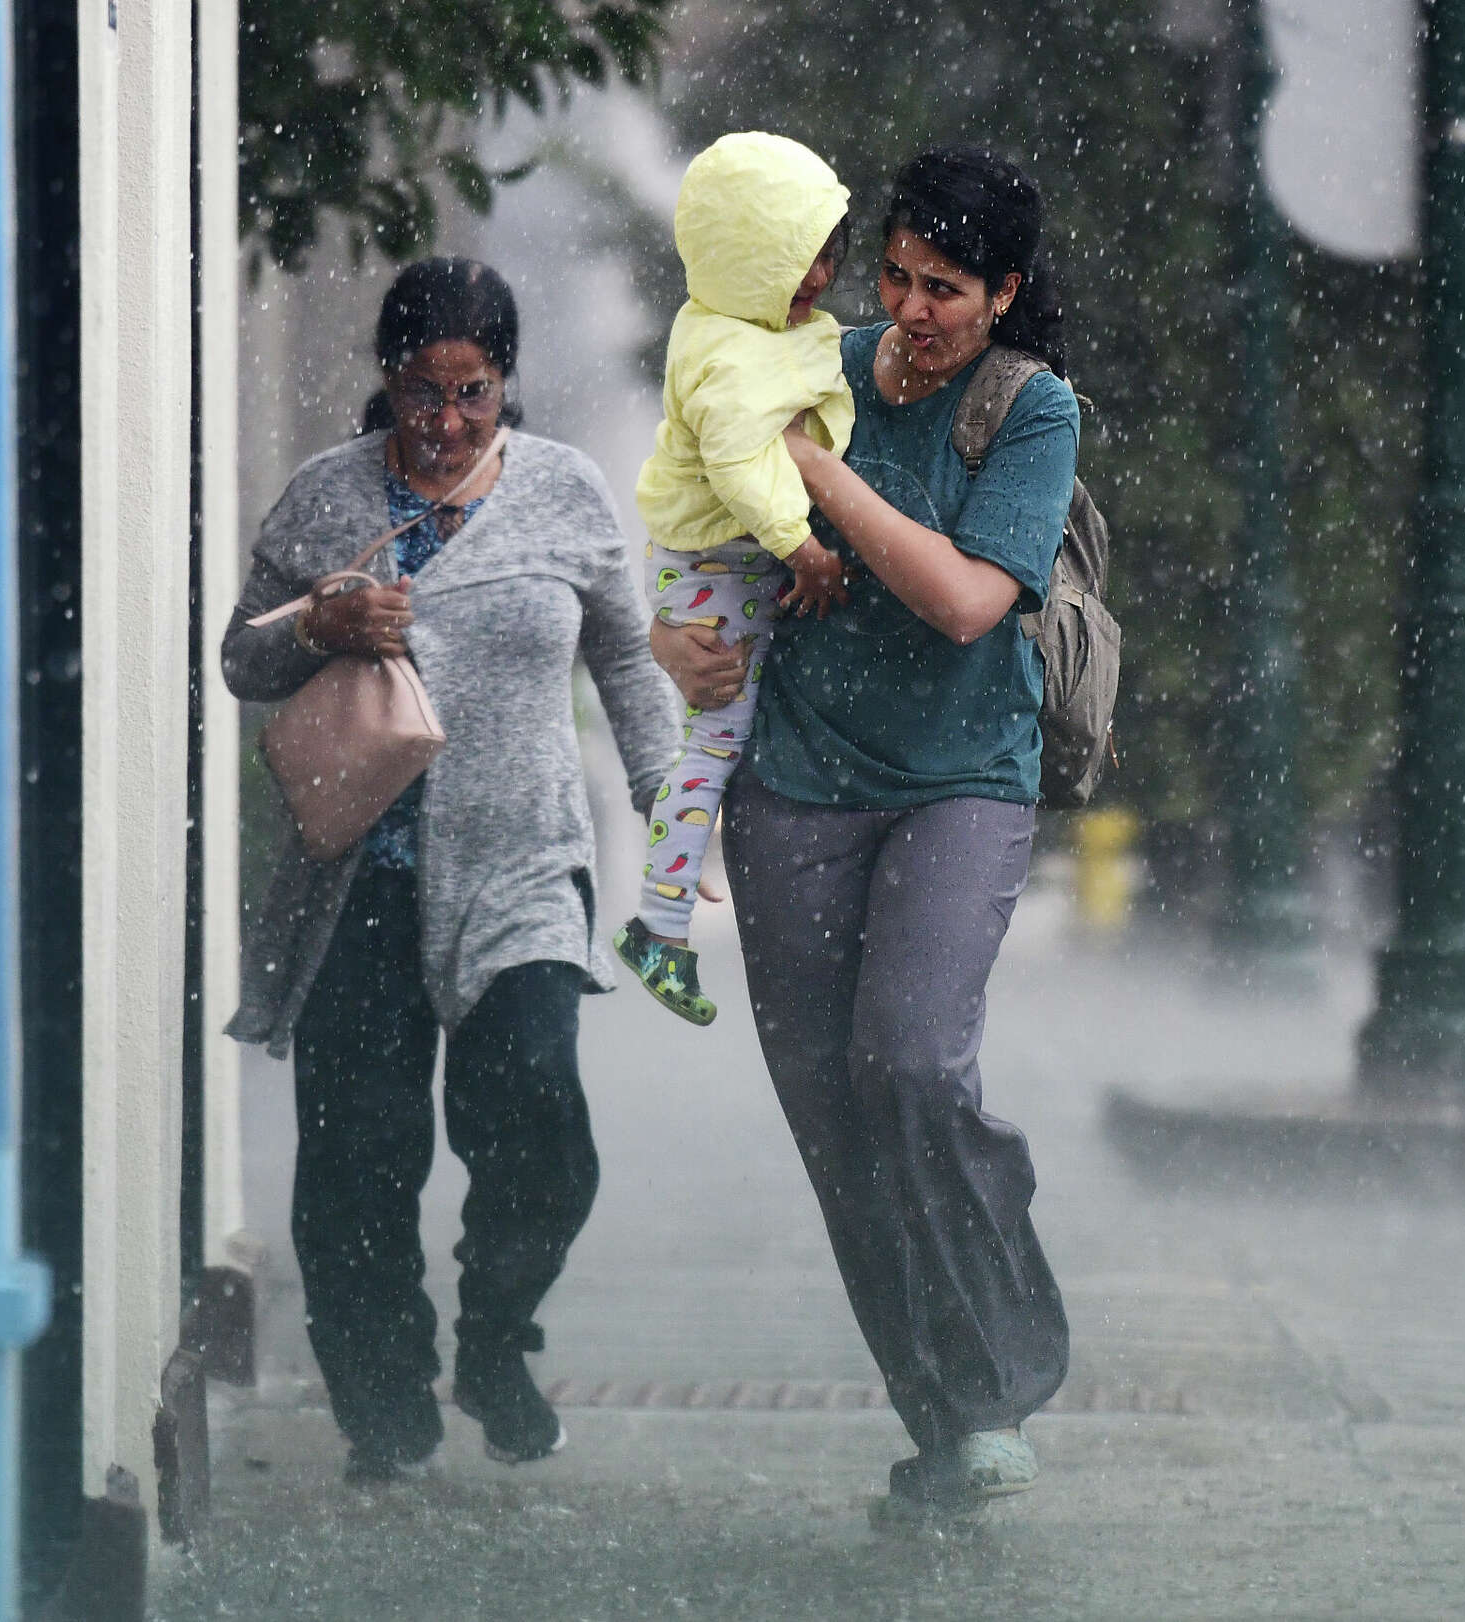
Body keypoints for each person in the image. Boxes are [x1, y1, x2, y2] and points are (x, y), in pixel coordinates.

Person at [649, 147, 1077, 1520]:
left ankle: (999, 1352)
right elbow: (706, 521)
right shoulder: (809, 358)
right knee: (835, 1117)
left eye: (945, 286)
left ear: (1003, 293)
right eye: (893, 274)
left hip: (960, 779)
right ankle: (947, 1418)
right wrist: (676, 638)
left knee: (908, 1058)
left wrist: (815, 476)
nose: (908, 308)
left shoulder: (1029, 410)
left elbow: (962, 600)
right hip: (797, 783)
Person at [222, 258, 679, 1481]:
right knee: (358, 1161)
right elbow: (242, 661)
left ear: (505, 383)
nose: (445, 419)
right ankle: (386, 1408)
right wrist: (317, 624)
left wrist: (668, 797)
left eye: (472, 391)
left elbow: (627, 663)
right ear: (388, 379)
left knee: (538, 1118)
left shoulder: (568, 495)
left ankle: (494, 1336)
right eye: (422, 391)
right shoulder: (327, 497)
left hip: (523, 860)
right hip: (357, 873)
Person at [612, 131, 853, 1028]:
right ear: (747, 259)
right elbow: (742, 464)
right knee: (709, 749)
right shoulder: (726, 354)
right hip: (717, 566)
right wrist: (807, 550)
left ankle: (661, 918)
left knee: (711, 745)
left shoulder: (746, 327)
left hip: (717, 568)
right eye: (797, 260)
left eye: (826, 254)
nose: (820, 279)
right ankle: (659, 925)